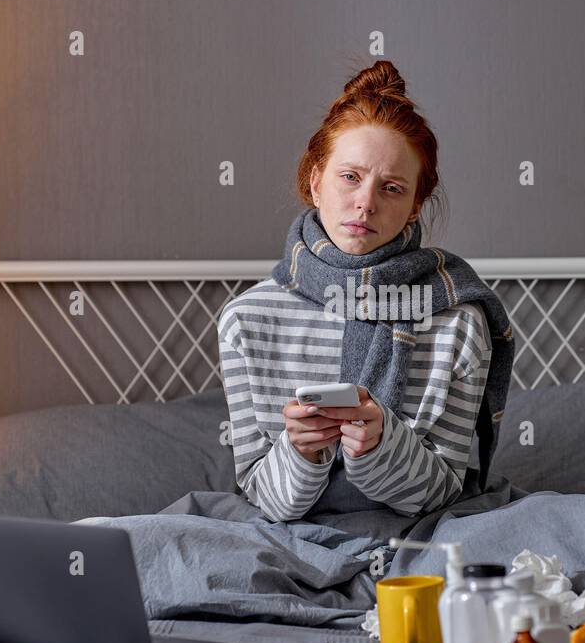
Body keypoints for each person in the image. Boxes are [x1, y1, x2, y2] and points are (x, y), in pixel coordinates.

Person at [217, 60, 515, 526]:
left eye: (392, 188)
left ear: (415, 206)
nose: (366, 202)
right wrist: (301, 451)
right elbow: (267, 502)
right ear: (315, 182)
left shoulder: (458, 318)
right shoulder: (247, 320)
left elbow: (442, 492)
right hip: (288, 541)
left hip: (422, 538)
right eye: (350, 177)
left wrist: (381, 445)